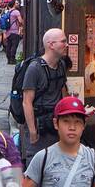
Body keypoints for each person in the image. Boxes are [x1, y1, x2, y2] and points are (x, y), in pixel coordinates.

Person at [21, 28, 68, 165]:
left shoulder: (61, 65)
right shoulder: (34, 68)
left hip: (55, 126)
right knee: (37, 167)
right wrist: (32, 131)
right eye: (63, 41)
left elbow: (63, 91)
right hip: (39, 127)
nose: (67, 45)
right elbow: (26, 102)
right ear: (51, 44)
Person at [4, 1, 23, 65]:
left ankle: (8, 59)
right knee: (14, 46)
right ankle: (12, 59)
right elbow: (20, 21)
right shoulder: (16, 12)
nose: (18, 4)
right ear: (14, 5)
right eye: (17, 3)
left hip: (8, 32)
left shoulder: (8, 11)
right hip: (15, 31)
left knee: (9, 45)